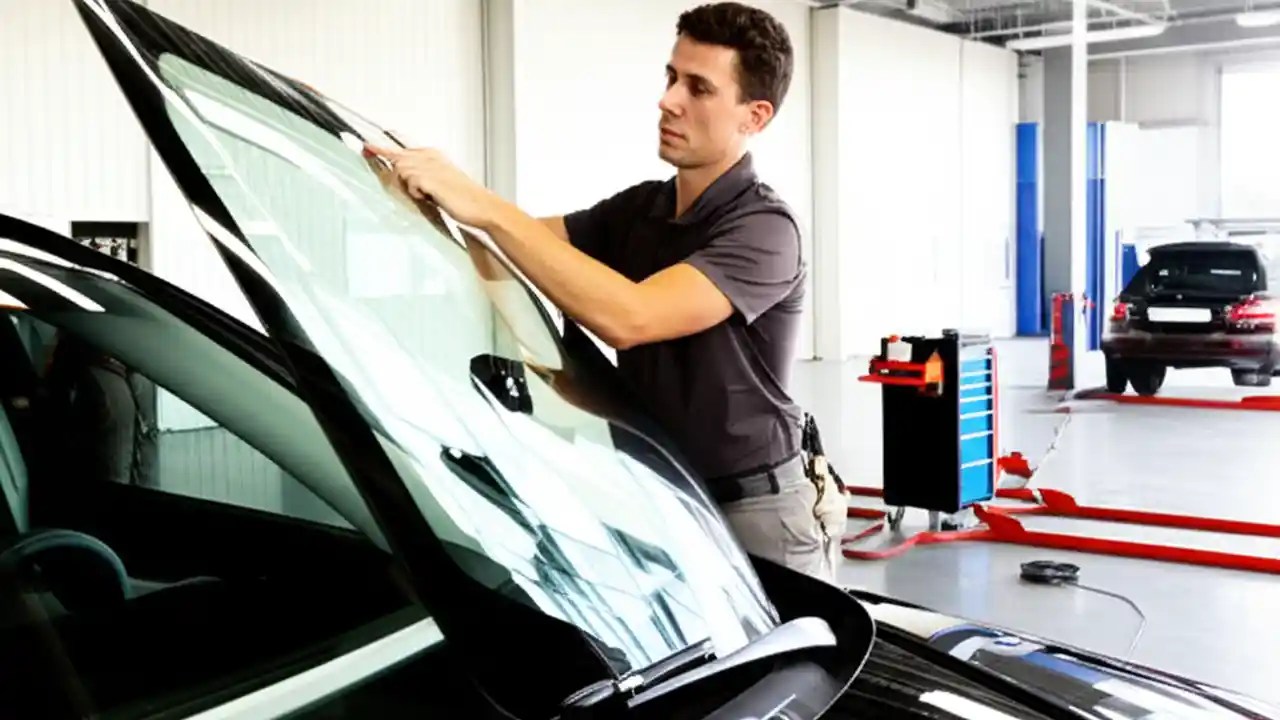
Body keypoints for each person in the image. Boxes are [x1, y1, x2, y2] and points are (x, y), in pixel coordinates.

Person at [366, 2, 846, 582]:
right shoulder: (641, 208)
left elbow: (630, 316)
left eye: (699, 88)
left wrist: (481, 204)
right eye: (672, 77)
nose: (669, 100)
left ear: (755, 116)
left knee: (789, 669)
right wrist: (419, 200)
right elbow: (514, 247)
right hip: (664, 496)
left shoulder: (766, 229)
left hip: (756, 511)